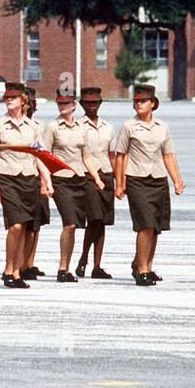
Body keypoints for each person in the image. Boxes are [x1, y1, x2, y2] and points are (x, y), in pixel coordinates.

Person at [114, 84, 184, 285]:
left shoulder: (163, 127)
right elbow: (121, 156)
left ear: (153, 104)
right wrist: (120, 184)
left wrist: (177, 180)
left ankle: (146, 265)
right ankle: (142, 269)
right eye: (136, 101)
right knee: (145, 224)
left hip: (159, 179)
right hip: (137, 179)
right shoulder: (129, 126)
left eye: (143, 101)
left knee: (155, 227)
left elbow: (168, 155)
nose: (138, 104)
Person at [43, 88, 103, 281]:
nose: (62, 106)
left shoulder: (81, 128)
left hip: (80, 178)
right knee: (69, 223)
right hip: (61, 180)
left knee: (77, 225)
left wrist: (97, 178)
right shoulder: (52, 127)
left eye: (66, 103)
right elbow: (43, 156)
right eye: (60, 103)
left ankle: (67, 268)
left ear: (74, 106)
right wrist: (46, 182)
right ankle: (62, 268)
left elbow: (86, 156)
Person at [0, 83, 42, 288]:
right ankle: (9, 268)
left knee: (25, 226)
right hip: (8, 179)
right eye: (7, 97)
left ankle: (16, 271)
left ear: (23, 101)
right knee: (15, 225)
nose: (9, 100)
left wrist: (46, 181)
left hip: (28, 179)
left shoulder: (33, 127)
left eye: (14, 97)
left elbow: (39, 156)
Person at [76, 86, 115, 279]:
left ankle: (97, 265)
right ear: (82, 104)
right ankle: (83, 258)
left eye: (96, 102)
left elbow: (112, 154)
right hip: (88, 177)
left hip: (106, 174)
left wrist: (119, 178)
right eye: (88, 103)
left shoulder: (108, 127)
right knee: (94, 218)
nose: (92, 106)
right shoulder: (77, 126)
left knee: (103, 222)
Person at [19, 88, 50, 280]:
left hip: (38, 178)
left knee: (36, 224)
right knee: (23, 224)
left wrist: (45, 182)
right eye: (27, 102)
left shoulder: (39, 126)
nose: (29, 106)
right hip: (23, 176)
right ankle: (20, 264)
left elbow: (43, 155)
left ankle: (29, 262)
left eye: (32, 103)